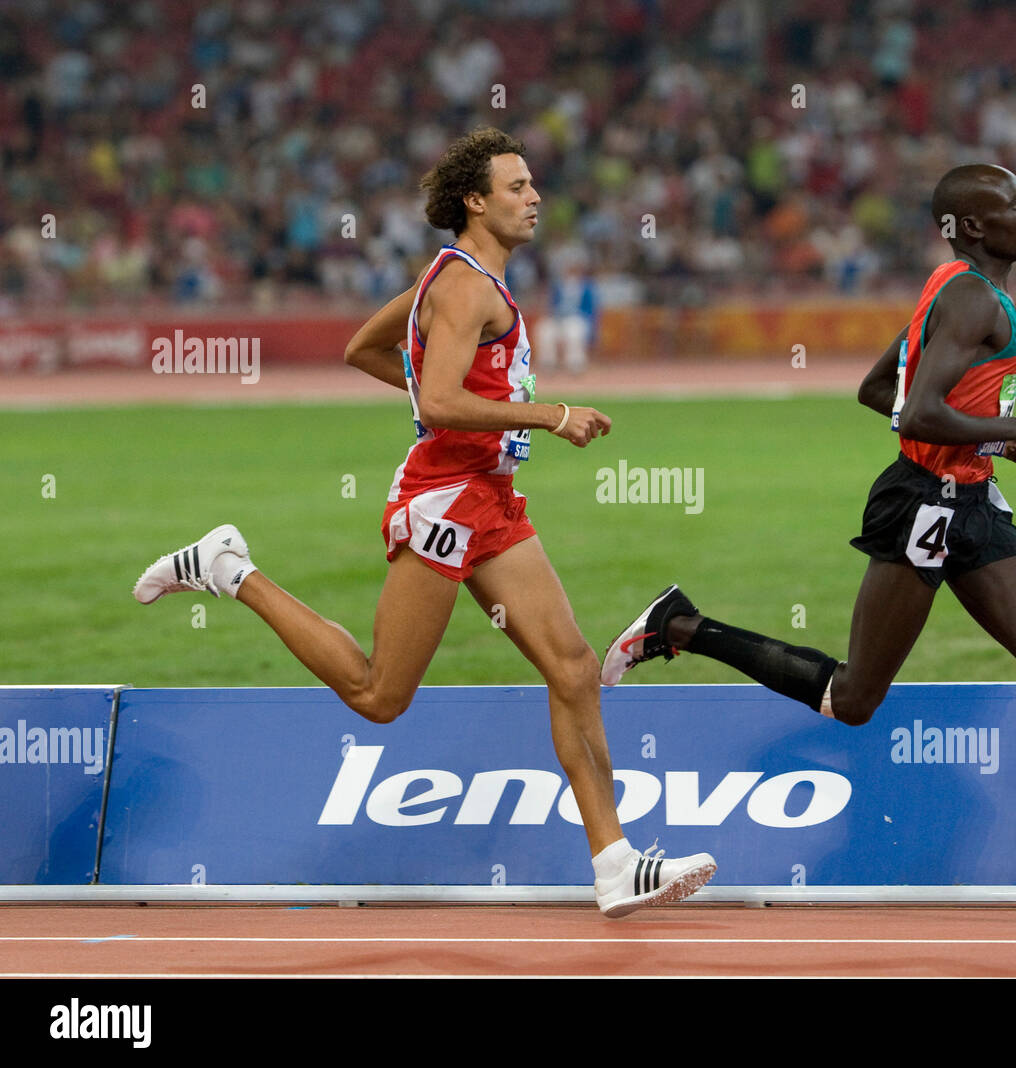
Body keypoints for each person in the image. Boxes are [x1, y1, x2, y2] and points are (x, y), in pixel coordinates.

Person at [602, 163, 1016, 912]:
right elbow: (918, 411)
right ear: (971, 227)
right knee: (854, 697)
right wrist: (1010, 427)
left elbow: (878, 392)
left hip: (969, 500)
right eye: (1012, 206)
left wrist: (986, 446)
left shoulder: (961, 290)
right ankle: (681, 626)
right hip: (925, 506)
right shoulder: (968, 297)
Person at [132, 127, 715, 918]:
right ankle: (230, 570)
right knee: (379, 696)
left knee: (573, 667)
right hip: (444, 500)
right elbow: (437, 399)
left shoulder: (454, 280)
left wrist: (454, 408)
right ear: (475, 201)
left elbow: (365, 350)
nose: (535, 196)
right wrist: (548, 414)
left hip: (491, 499)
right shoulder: (467, 287)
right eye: (516, 186)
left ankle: (614, 863)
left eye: (533, 184)